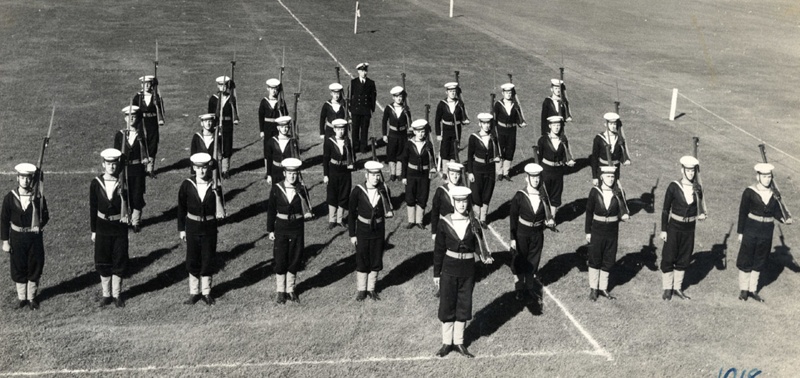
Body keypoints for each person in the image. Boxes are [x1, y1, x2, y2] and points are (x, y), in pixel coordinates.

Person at [433, 186, 493, 358]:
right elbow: (438, 251)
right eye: (458, 201)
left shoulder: (473, 223)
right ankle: (446, 343)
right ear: (453, 202)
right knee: (447, 304)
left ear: (467, 202)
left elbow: (478, 244)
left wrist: (484, 255)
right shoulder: (444, 222)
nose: (461, 204)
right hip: (449, 269)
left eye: (464, 201)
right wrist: (437, 274)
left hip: (467, 270)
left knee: (463, 305)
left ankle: (459, 342)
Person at [735, 163, 793, 302]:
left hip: (766, 231)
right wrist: (740, 232)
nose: (767, 179)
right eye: (764, 176)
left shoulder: (774, 194)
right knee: (747, 258)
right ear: (758, 176)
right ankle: (743, 290)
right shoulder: (749, 191)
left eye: (769, 176)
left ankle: (752, 289)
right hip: (751, 229)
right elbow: (742, 212)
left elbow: (777, 212)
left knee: (760, 259)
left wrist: (784, 219)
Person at [1, 163, 49, 310]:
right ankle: (22, 298)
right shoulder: (10, 197)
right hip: (16, 237)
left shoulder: (38, 197)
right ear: (17, 178)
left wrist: (39, 224)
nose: (25, 181)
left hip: (34, 238)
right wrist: (5, 241)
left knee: (34, 265)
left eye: (28, 178)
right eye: (22, 178)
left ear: (32, 180)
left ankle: (32, 297)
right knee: (18, 266)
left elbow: (46, 215)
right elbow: (3, 220)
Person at [660, 156, 708, 300]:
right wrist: (663, 230)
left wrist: (702, 214)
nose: (691, 173)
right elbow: (665, 209)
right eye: (688, 170)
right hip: (674, 227)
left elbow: (701, 208)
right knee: (669, 257)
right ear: (682, 170)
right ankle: (667, 288)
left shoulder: (697, 188)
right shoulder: (673, 186)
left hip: (689, 228)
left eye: (693, 170)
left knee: (684, 258)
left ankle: (677, 288)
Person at [178, 153, 223, 306]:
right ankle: (194, 292)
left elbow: (221, 210)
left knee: (208, 258)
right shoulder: (187, 185)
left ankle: (206, 292)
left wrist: (217, 193)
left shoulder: (215, 184)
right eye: (198, 168)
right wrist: (181, 229)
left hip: (209, 228)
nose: (202, 171)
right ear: (194, 168)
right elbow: (181, 209)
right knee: (192, 258)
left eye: (204, 168)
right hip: (192, 227)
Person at [267, 158, 313, 304]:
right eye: (290, 173)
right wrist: (270, 230)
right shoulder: (276, 188)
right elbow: (271, 210)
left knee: (295, 257)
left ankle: (290, 290)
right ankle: (281, 291)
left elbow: (307, 208)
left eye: (295, 173)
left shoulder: (301, 189)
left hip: (297, 228)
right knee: (280, 258)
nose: (293, 176)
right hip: (281, 227)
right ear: (284, 173)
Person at [509, 163, 555, 302]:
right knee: (520, 261)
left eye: (538, 177)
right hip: (522, 233)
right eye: (533, 177)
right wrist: (512, 238)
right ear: (526, 178)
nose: (536, 180)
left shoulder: (543, 196)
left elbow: (547, 215)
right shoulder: (520, 196)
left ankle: (528, 288)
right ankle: (519, 290)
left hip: (537, 233)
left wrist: (549, 222)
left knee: (533, 261)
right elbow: (513, 218)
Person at [89, 149, 128, 308]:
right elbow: (93, 208)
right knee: (103, 260)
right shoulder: (96, 184)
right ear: (103, 164)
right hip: (102, 227)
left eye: (114, 164)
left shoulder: (123, 182)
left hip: (119, 227)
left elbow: (131, 202)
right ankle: (106, 295)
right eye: (109, 164)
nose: (111, 167)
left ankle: (117, 294)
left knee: (119, 259)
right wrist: (93, 230)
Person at [348, 161, 392, 301]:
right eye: (372, 175)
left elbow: (388, 210)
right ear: (366, 175)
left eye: (377, 175)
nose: (375, 178)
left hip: (378, 231)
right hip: (362, 230)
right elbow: (351, 214)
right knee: (362, 258)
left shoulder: (384, 189)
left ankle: (371, 288)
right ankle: (361, 290)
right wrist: (352, 234)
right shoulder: (358, 190)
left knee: (376, 258)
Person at [585, 165, 630, 300]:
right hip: (597, 229)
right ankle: (593, 289)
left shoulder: (618, 193)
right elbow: (588, 212)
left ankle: (603, 288)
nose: (610, 179)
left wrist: (624, 215)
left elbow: (624, 210)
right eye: (608, 176)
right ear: (602, 177)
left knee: (609, 258)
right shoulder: (595, 192)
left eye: (612, 176)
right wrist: (588, 231)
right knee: (595, 258)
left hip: (612, 230)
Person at [114, 105, 148, 233]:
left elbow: (146, 151)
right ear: (125, 119)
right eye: (129, 117)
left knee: (137, 195)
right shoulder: (120, 135)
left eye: (134, 116)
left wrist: (146, 161)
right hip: (124, 170)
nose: (131, 119)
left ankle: (136, 221)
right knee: (124, 193)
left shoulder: (141, 134)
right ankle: (125, 219)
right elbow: (116, 153)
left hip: (138, 170)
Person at [537, 115, 576, 217]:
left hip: (558, 171)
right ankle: (542, 216)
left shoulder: (563, 140)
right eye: (554, 125)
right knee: (544, 193)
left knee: (556, 194)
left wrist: (567, 162)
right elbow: (539, 157)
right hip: (545, 170)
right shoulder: (543, 140)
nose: (556, 127)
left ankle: (551, 219)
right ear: (550, 126)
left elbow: (565, 155)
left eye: (558, 125)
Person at [466, 113, 500, 228]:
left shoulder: (493, 137)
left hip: (490, 169)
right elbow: (470, 156)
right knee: (476, 194)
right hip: (477, 169)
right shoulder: (474, 137)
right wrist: (470, 172)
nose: (486, 126)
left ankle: (483, 218)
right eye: (484, 123)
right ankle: (476, 218)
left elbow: (497, 153)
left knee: (487, 193)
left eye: (488, 123)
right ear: (480, 124)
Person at [400, 119, 434, 229]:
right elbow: (404, 160)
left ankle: (419, 221)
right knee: (410, 196)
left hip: (424, 175)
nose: (421, 134)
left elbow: (431, 160)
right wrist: (404, 176)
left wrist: (430, 172)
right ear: (414, 132)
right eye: (418, 131)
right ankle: (411, 220)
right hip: (411, 174)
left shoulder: (428, 144)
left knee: (422, 196)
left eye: (423, 131)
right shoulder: (409, 144)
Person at [323, 119, 354, 229]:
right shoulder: (329, 141)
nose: (340, 131)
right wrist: (326, 175)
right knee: (332, 194)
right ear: (334, 129)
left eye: (342, 129)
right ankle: (332, 219)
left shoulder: (347, 141)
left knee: (344, 194)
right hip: (333, 171)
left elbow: (351, 156)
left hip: (345, 172)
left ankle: (340, 219)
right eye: (338, 129)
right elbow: (326, 158)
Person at [435, 82, 470, 178]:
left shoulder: (460, 104)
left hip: (456, 130)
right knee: (445, 150)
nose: (452, 93)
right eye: (450, 91)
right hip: (446, 130)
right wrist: (438, 134)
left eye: (454, 91)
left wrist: (465, 121)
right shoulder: (442, 104)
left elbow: (463, 117)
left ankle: (452, 170)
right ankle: (446, 172)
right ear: (446, 92)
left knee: (454, 150)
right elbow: (437, 120)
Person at [493, 83, 527, 181]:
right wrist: (493, 131)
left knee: (510, 150)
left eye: (510, 92)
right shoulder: (498, 104)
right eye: (506, 92)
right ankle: (499, 172)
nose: (508, 94)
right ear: (503, 93)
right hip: (500, 129)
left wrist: (521, 124)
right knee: (500, 150)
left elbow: (518, 118)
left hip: (512, 130)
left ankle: (506, 172)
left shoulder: (515, 104)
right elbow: (494, 119)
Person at [208, 76, 239, 178]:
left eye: (225, 85)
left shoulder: (231, 98)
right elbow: (210, 114)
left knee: (227, 147)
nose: (223, 87)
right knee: (217, 147)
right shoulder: (213, 99)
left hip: (227, 126)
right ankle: (217, 168)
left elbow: (235, 112)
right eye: (221, 85)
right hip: (217, 125)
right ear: (218, 86)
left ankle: (225, 170)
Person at [132, 75, 165, 176]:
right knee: (142, 141)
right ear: (141, 85)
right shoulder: (137, 97)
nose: (146, 86)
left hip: (152, 122)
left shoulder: (156, 96)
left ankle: (150, 168)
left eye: (148, 83)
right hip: (142, 122)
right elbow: (134, 111)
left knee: (153, 142)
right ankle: (143, 166)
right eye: (144, 84)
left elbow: (161, 110)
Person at [259, 78, 289, 177]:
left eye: (275, 89)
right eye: (272, 89)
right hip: (267, 128)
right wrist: (262, 130)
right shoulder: (264, 102)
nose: (274, 91)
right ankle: (268, 171)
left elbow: (286, 116)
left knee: (277, 148)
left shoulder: (281, 102)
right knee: (267, 149)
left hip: (277, 128)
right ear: (268, 89)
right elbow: (261, 116)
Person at [590, 112, 630, 186]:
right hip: (603, 169)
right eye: (611, 124)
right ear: (606, 124)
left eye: (614, 124)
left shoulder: (619, 138)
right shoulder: (599, 138)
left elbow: (621, 154)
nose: (613, 126)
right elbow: (594, 158)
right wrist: (595, 177)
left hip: (615, 170)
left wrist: (624, 160)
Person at [382, 86, 411, 181]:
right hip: (392, 134)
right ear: (393, 97)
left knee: (401, 153)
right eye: (397, 96)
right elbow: (384, 121)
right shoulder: (389, 108)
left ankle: (399, 173)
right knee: (391, 153)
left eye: (400, 96)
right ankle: (392, 173)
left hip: (402, 135)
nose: (399, 98)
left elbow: (409, 122)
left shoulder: (406, 109)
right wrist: (384, 134)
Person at [430, 162, 465, 241]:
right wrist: (434, 232)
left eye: (457, 174)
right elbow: (435, 212)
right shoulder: (441, 191)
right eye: (452, 174)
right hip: (445, 226)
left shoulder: (463, 190)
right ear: (448, 175)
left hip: (460, 226)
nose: (455, 177)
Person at [349, 62, 377, 153]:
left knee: (364, 129)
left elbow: (373, 97)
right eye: (362, 71)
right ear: (358, 71)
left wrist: (372, 109)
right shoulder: (353, 82)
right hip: (356, 110)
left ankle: (363, 147)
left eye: (365, 70)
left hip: (365, 110)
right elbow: (350, 96)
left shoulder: (371, 83)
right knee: (355, 129)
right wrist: (350, 109)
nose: (364, 73)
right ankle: (355, 146)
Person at [264, 116, 298, 185]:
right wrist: (269, 175)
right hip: (275, 172)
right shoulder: (272, 141)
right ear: (278, 128)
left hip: (288, 171)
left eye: (286, 127)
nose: (284, 129)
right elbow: (269, 159)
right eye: (282, 127)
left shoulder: (292, 141)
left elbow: (296, 158)